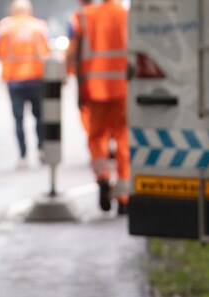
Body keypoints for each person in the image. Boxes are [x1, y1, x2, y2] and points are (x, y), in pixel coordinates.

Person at [70, 0, 129, 214]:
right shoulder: (126, 14)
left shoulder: (85, 15)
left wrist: (78, 91)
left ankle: (103, 177)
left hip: (95, 90)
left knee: (96, 138)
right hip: (123, 89)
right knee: (123, 139)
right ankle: (123, 197)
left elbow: (76, 56)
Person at [0, 0, 51, 169]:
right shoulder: (39, 27)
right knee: (40, 117)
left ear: (13, 11)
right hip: (36, 79)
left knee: (18, 120)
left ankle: (22, 156)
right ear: (29, 10)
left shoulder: (4, 27)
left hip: (14, 81)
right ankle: (41, 150)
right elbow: (48, 52)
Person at [66, 0, 94, 135]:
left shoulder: (78, 18)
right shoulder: (120, 14)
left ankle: (100, 151)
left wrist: (66, 71)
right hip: (119, 82)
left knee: (93, 126)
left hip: (89, 79)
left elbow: (73, 50)